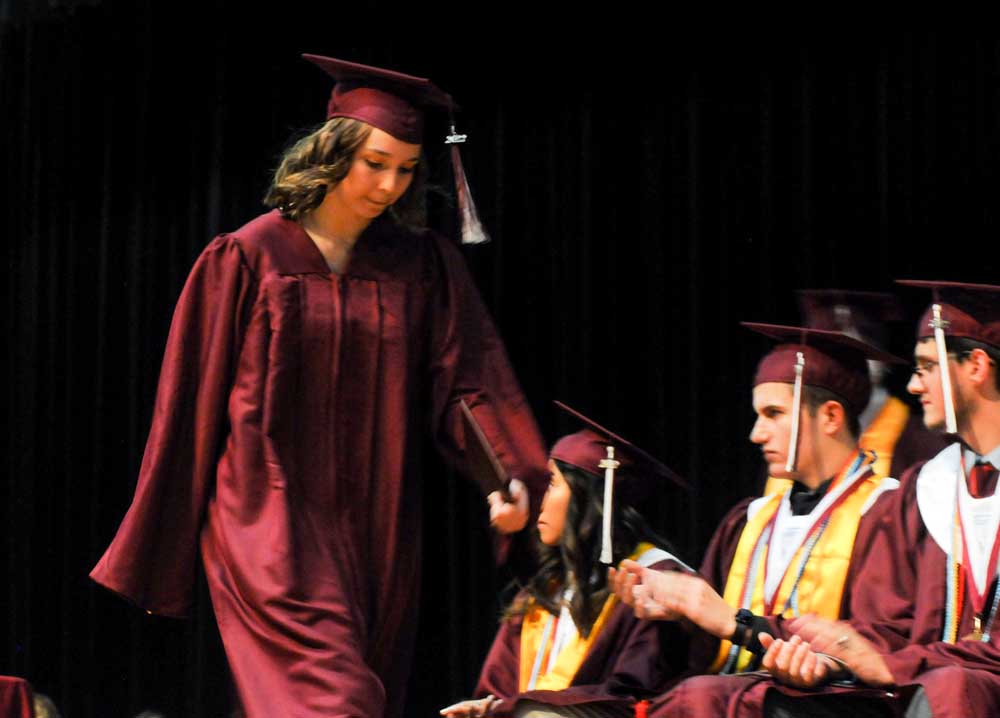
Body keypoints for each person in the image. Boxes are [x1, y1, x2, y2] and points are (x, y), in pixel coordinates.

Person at [89, 55, 549, 718]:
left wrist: (504, 476)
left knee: (369, 691)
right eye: (375, 163)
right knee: (336, 701)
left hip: (381, 521)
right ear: (332, 152)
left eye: (405, 168)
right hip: (268, 517)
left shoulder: (422, 265)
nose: (390, 185)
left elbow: (468, 382)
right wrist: (168, 530)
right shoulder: (249, 256)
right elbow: (188, 406)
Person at [609, 323, 901, 716]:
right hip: (743, 695)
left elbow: (882, 640)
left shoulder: (886, 510)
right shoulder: (750, 519)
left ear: (831, 416)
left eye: (773, 414)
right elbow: (710, 642)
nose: (755, 434)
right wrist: (678, 615)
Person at [753, 281, 1000, 718]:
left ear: (976, 366)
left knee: (952, 686)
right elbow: (893, 621)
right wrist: (837, 649)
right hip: (926, 687)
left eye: (926, 367)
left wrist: (890, 664)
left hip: (953, 690)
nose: (913, 383)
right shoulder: (924, 488)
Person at [440, 403, 690, 718]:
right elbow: (498, 687)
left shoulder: (653, 579)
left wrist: (508, 710)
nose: (541, 497)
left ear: (588, 499)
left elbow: (630, 695)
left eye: (554, 482)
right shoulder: (546, 590)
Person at [762, 290, 948, 496]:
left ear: (877, 364)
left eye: (849, 362)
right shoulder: (791, 447)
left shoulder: (923, 446)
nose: (833, 374)